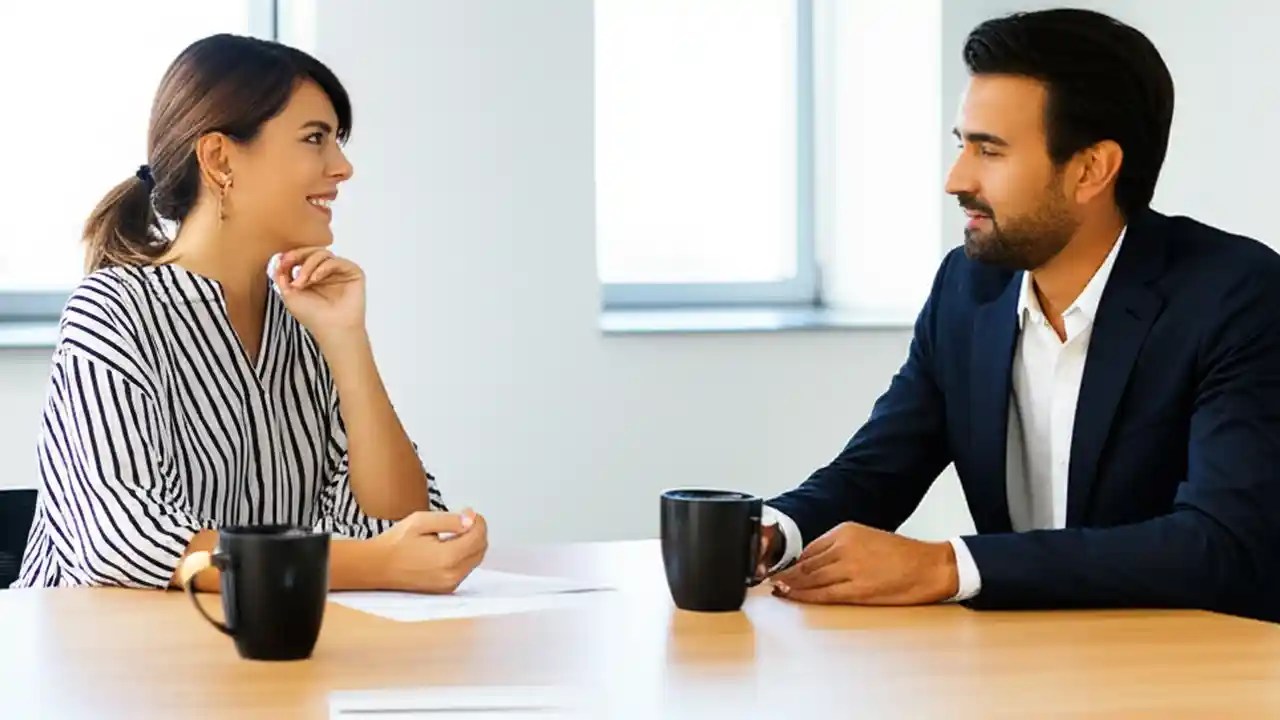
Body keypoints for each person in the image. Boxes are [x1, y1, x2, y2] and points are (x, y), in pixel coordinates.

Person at [757, 9, 1280, 622]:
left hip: (1194, 675)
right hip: (1025, 663)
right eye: (962, 145)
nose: (957, 179)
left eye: (991, 151)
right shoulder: (967, 286)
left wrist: (948, 565)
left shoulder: (1239, 296)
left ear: (1090, 170)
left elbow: (1219, 545)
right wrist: (771, 531)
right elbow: (878, 469)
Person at [13, 34, 488, 593]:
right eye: (316, 139)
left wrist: (348, 344)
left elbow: (402, 525)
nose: (343, 167)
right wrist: (374, 565)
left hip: (242, 663)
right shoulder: (113, 312)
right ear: (219, 158)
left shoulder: (305, 326)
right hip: (107, 667)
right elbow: (119, 545)